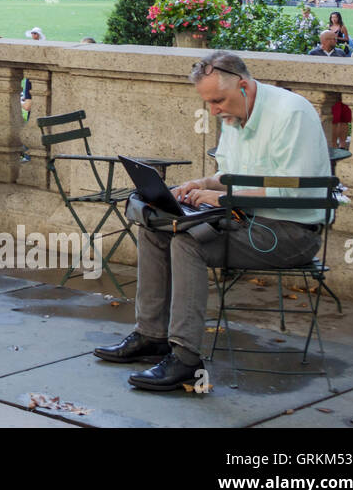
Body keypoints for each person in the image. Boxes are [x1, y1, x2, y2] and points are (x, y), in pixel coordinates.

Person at [93, 52, 331, 391]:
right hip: (246, 222)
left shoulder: (291, 112)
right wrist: (201, 185)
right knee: (155, 229)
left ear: (245, 86)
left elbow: (293, 190)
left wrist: (225, 199)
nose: (215, 110)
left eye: (218, 100)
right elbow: (231, 176)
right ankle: (152, 336)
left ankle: (187, 359)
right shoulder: (234, 115)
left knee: (189, 243)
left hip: (291, 234)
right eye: (209, 103)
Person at [309, 30, 352, 148]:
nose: (335, 40)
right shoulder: (314, 53)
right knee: (333, 119)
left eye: (335, 38)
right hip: (326, 92)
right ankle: (333, 145)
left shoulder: (340, 53)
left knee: (344, 118)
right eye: (332, 39)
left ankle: (342, 144)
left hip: (340, 90)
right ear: (325, 40)